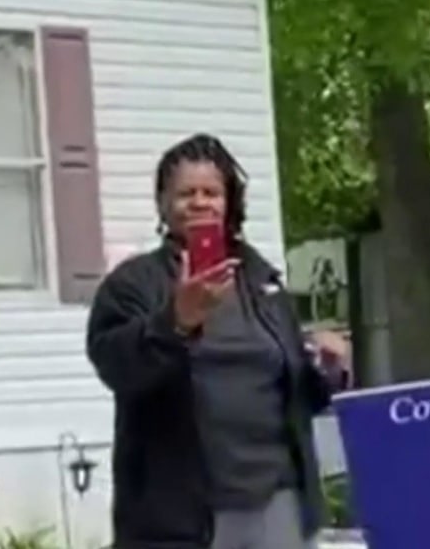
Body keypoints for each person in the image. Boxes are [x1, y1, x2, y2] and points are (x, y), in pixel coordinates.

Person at [86, 134, 351, 549]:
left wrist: (330, 370)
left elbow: (297, 392)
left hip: (277, 501)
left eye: (211, 192)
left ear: (229, 202)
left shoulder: (260, 280)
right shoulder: (133, 285)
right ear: (162, 203)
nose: (199, 203)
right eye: (185, 193)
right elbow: (117, 367)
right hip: (182, 516)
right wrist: (176, 320)